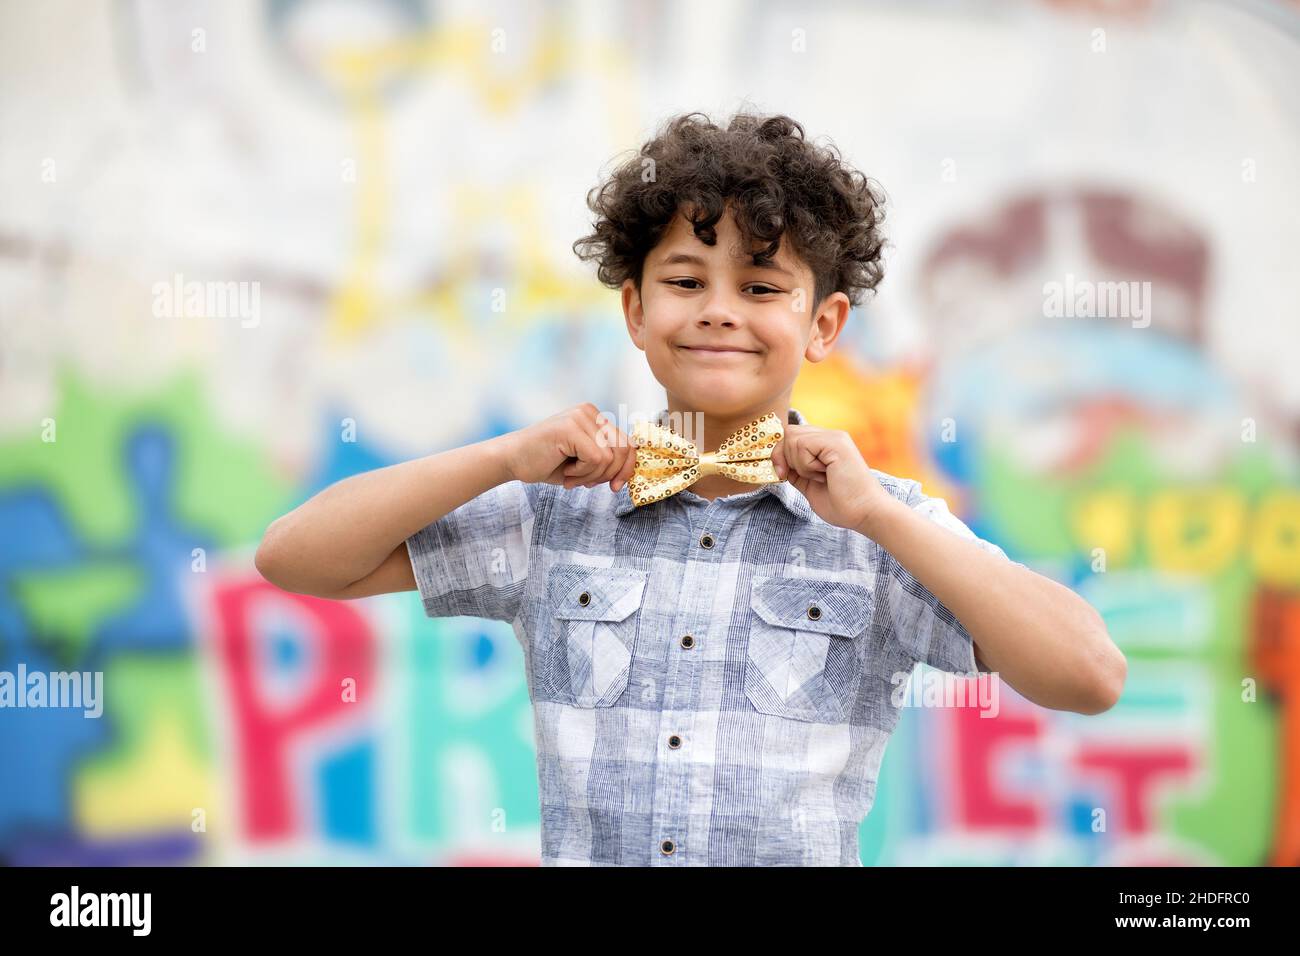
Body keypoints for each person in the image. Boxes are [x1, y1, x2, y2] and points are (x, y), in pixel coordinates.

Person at [255, 111, 1126, 866]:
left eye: (759, 286)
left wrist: (881, 519)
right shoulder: (556, 505)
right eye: (684, 282)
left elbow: (1089, 675)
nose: (718, 310)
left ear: (823, 325)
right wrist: (500, 457)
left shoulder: (876, 523)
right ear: (635, 311)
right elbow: (294, 558)